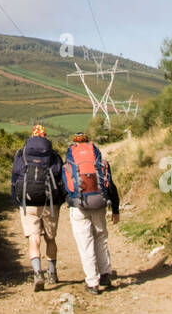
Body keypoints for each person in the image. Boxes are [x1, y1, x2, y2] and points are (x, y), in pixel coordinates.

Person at [62, 132, 120, 295]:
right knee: (101, 238)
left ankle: (92, 282)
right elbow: (111, 186)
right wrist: (115, 209)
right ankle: (105, 274)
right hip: (99, 202)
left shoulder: (70, 160)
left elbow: (64, 185)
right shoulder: (98, 161)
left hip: (78, 205)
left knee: (85, 243)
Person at [10, 124, 63, 291]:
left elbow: (15, 177)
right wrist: (60, 201)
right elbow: (60, 178)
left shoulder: (22, 153)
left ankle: (37, 272)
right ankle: (52, 273)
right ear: (45, 136)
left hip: (28, 202)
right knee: (50, 238)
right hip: (49, 203)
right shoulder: (53, 155)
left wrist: (17, 200)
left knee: (34, 238)